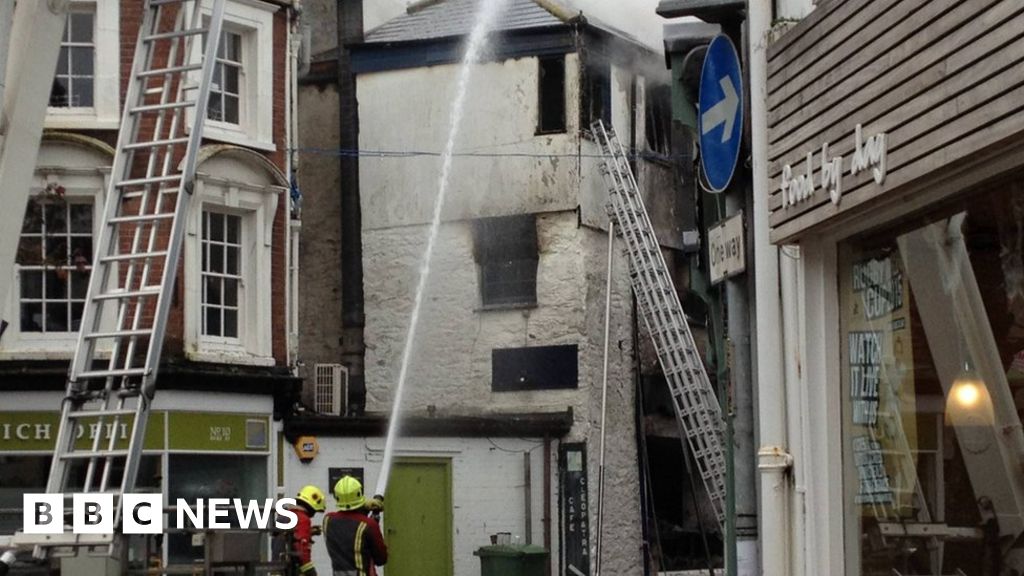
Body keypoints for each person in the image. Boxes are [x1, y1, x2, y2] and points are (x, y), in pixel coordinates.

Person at [323, 476, 387, 576]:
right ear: (359, 493)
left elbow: (349, 521)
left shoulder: (328, 520)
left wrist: (364, 508)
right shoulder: (369, 525)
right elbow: (381, 559)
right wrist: (366, 508)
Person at [289, 484, 327, 576]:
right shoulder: (303, 519)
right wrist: (310, 571)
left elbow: (291, 537)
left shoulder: (288, 515)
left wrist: (310, 532)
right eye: (315, 511)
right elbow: (301, 548)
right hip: (294, 568)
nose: (313, 514)